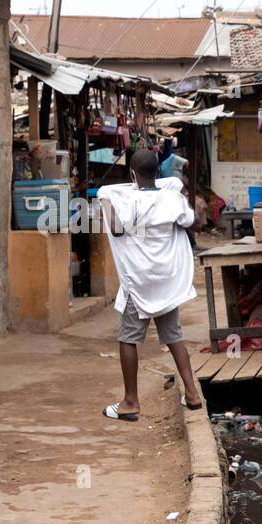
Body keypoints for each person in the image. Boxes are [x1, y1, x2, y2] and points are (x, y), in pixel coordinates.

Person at [97, 148, 203, 420]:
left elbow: (117, 229)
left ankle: (130, 402)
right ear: (158, 171)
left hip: (140, 281)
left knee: (128, 338)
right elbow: (193, 221)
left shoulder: (123, 202)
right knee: (173, 336)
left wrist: (106, 203)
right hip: (166, 281)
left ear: (132, 174)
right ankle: (192, 393)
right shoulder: (173, 199)